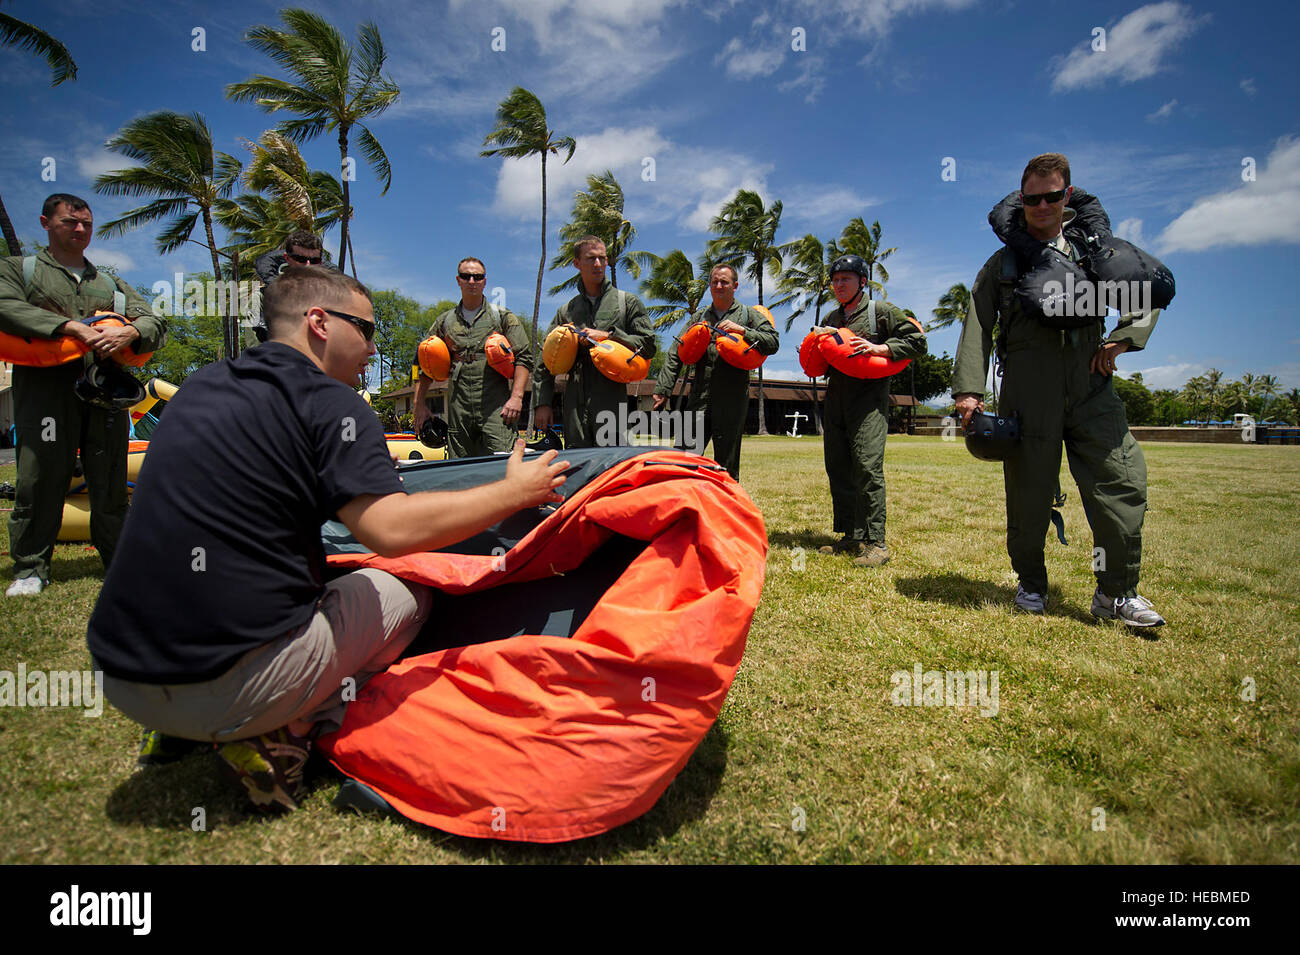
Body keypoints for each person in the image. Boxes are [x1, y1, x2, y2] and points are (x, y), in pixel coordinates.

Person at [86, 266, 569, 810]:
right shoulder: (333, 402)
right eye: (365, 330)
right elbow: (389, 530)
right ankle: (288, 729)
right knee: (408, 594)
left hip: (121, 675)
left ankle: (185, 729)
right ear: (319, 322)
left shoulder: (201, 386)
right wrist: (514, 492)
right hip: (225, 691)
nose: (372, 346)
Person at [951, 152, 1164, 626]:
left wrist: (1124, 337)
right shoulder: (1003, 263)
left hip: (1092, 387)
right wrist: (968, 391)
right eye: (1032, 198)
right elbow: (977, 321)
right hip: (1027, 391)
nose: (1042, 206)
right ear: (1021, 199)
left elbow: (1143, 289)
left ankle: (1117, 592)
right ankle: (1031, 582)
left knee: (1121, 483)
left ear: (1067, 195)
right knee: (1028, 495)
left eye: (1051, 196)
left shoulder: (1097, 252)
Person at [0, 193, 166, 597]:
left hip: (105, 391)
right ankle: (30, 568)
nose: (80, 230)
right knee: (39, 477)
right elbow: (5, 306)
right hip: (44, 391)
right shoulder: (18, 270)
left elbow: (154, 320)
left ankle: (120, 561)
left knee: (110, 480)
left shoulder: (109, 282)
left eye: (86, 224)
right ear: (45, 223)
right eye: (70, 222)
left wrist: (131, 331)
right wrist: (70, 329)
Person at [816, 255, 926, 568]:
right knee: (838, 466)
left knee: (867, 466)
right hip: (836, 398)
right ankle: (851, 535)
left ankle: (877, 542)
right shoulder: (832, 317)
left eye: (846, 279)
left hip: (868, 402)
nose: (839, 285)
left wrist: (884, 348)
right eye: (835, 280)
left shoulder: (881, 312)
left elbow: (917, 341)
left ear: (862, 282)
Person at [652, 264, 779, 479]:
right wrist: (663, 388)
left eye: (724, 282)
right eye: (715, 282)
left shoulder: (748, 315)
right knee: (684, 458)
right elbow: (676, 351)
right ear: (710, 286)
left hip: (732, 400)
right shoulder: (699, 317)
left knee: (727, 466)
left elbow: (773, 341)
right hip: (699, 397)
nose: (719, 286)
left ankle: (726, 508)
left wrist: (743, 331)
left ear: (735, 286)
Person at [533, 237, 656, 448]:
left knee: (613, 467)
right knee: (576, 465)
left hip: (612, 400)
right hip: (574, 403)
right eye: (591, 259)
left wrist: (609, 336)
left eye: (602, 258)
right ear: (577, 263)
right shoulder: (566, 311)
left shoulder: (626, 303)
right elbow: (546, 360)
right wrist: (542, 403)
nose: (598, 264)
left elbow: (648, 344)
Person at [412, 257, 531, 457]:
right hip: (459, 407)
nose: (472, 281)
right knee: (460, 466)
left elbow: (524, 357)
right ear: (458, 280)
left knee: (501, 462)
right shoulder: (444, 322)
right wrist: (419, 404)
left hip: (496, 406)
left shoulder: (502, 317)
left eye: (477, 277)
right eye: (466, 276)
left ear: (485, 281)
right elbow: (423, 363)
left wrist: (517, 398)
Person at [248, 230, 330, 343]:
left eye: (314, 260)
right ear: (287, 258)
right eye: (300, 259)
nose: (307, 265)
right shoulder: (261, 298)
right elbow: (255, 348)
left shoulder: (331, 300)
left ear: (320, 263)